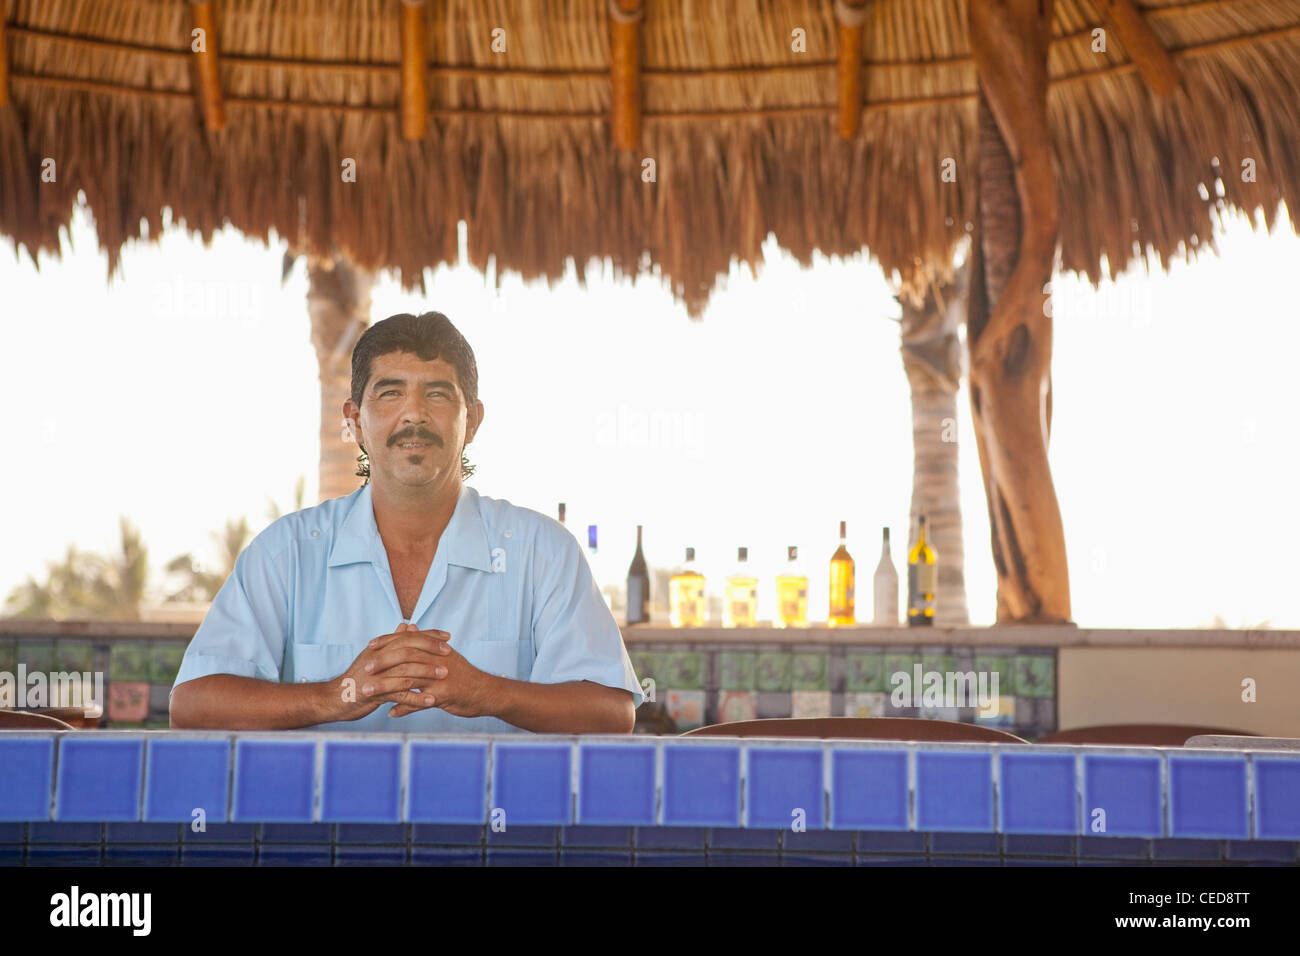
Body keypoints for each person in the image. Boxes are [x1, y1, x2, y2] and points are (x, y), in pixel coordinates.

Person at [170, 311, 641, 732]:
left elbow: (610, 713)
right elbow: (192, 706)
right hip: (325, 827)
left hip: (496, 825)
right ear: (354, 420)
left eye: (437, 394)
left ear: (471, 421)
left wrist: (487, 692)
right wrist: (336, 696)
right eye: (391, 392)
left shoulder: (543, 552)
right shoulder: (287, 552)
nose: (414, 413)